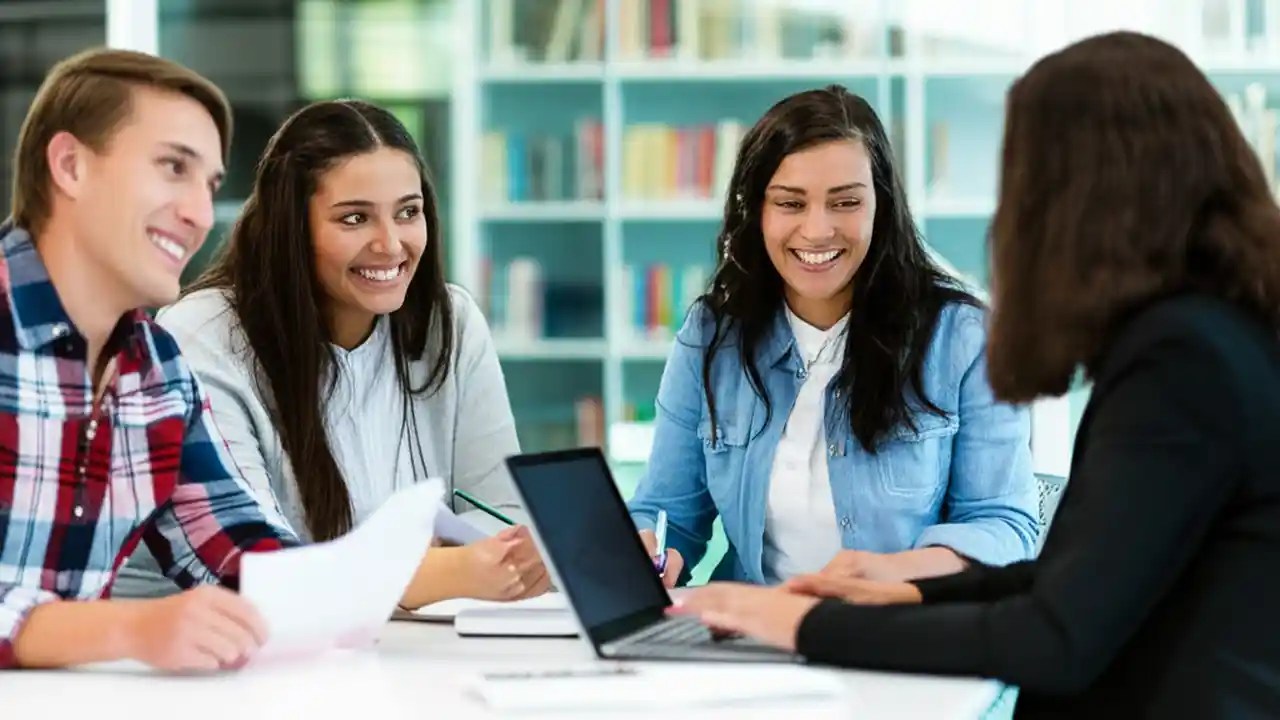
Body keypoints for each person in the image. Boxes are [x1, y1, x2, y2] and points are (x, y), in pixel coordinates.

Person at [674, 31, 1280, 717]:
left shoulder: (1182, 362)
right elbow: (1077, 582)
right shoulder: (1214, 333)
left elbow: (1054, 636)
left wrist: (802, 625)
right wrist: (907, 591)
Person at [114, 99, 549, 608]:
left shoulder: (448, 322)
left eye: (408, 213)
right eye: (355, 219)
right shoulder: (201, 339)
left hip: (384, 646)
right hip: (200, 662)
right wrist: (426, 569)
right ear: (292, 228)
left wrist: (420, 569)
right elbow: (259, 572)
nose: (391, 244)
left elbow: (503, 521)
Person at [627, 85, 1039, 588]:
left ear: (880, 208)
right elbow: (667, 512)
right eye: (790, 203)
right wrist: (650, 548)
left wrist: (889, 573)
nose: (818, 231)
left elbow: (1005, 525)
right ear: (756, 210)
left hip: (903, 640)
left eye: (844, 202)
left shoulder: (965, 339)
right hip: (753, 641)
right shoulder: (712, 335)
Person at [0, 49, 300, 671]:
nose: (199, 214)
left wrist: (346, 582)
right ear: (71, 166)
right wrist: (128, 629)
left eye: (210, 185)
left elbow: (237, 545)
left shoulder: (156, 368)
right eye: (172, 168)